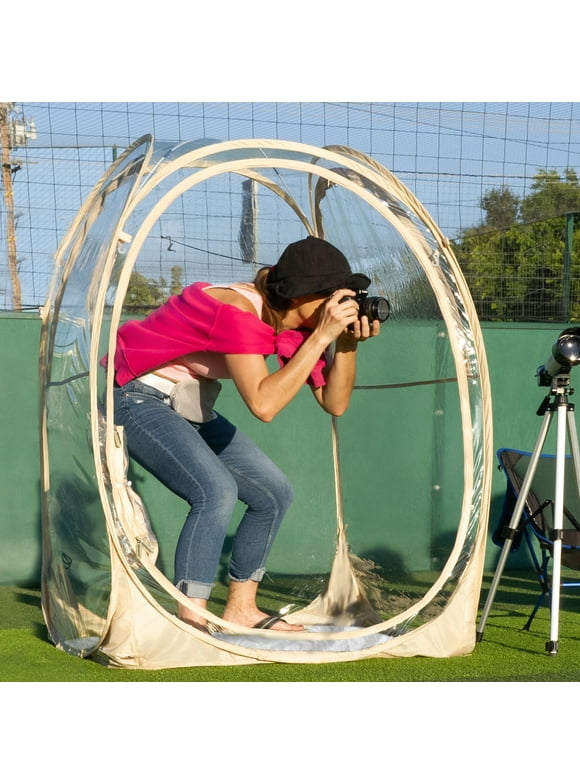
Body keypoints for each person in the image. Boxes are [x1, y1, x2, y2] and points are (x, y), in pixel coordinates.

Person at [107, 235, 381, 633]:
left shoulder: (299, 325)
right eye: (326, 295)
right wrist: (323, 337)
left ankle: (241, 609)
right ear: (297, 295)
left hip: (186, 405)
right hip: (135, 395)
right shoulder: (237, 309)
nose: (334, 306)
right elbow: (264, 405)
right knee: (215, 490)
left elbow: (334, 402)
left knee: (273, 493)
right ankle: (193, 618)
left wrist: (347, 343)